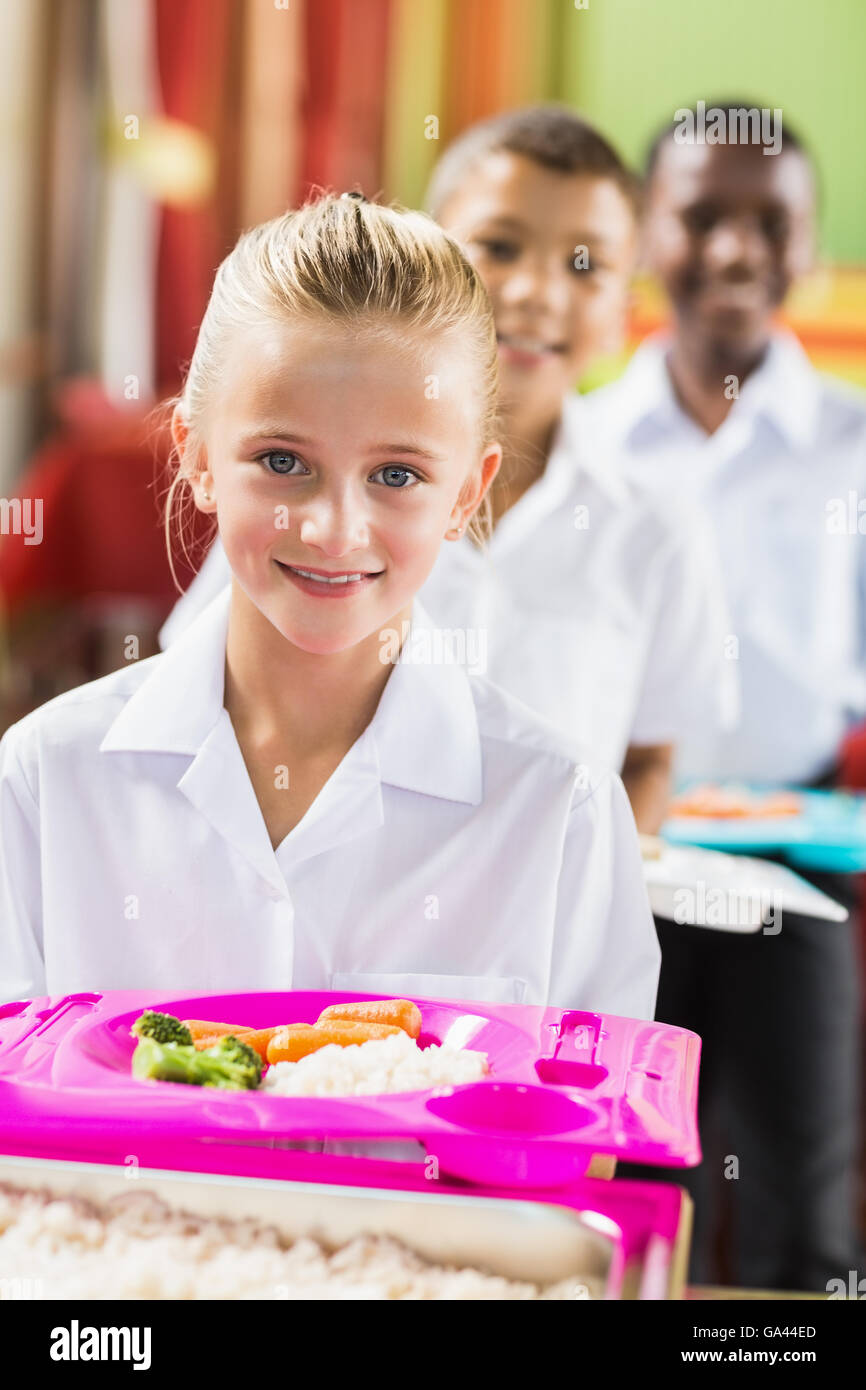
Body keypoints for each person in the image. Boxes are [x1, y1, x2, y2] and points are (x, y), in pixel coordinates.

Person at [0, 194, 660, 1029]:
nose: (333, 529)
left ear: (466, 494)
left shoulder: (561, 812)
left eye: (396, 476)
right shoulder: (45, 782)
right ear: (199, 461)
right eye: (283, 460)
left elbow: (589, 1143)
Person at [160, 107, 736, 834]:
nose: (538, 293)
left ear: (626, 304)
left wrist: (601, 883)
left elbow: (652, 754)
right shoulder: (301, 491)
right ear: (432, 255)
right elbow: (200, 690)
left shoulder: (656, 524)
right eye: (500, 246)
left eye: (584, 264)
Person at [584, 103, 866, 1290]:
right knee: (634, 1183)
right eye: (702, 217)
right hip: (618, 856)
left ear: (807, 241)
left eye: (770, 223)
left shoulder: (852, 448)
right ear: (651, 230)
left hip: (794, 858)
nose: (737, 251)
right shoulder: (586, 446)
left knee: (798, 1179)